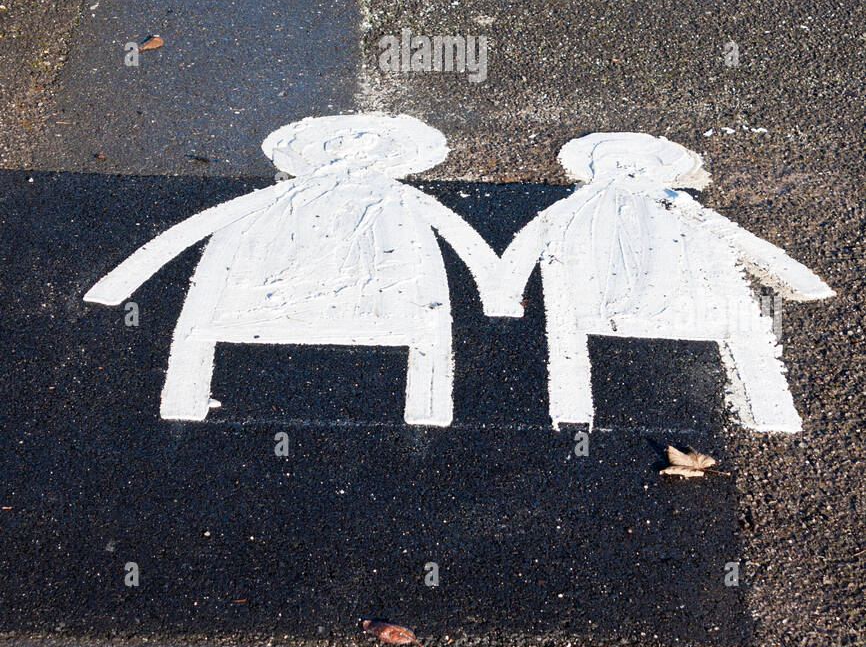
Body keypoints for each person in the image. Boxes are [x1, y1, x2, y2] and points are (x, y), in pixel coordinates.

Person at [85, 113, 509, 426]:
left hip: (380, 278)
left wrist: (500, 295)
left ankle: (427, 408)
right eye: (342, 147)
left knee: (418, 328)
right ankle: (184, 400)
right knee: (208, 325)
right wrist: (119, 283)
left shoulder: (398, 197)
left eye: (363, 149)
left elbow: (458, 233)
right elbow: (199, 226)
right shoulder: (286, 194)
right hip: (272, 275)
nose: (351, 156)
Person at [492, 132, 833, 433]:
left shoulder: (680, 204)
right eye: (616, 164)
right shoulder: (579, 204)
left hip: (699, 285)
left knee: (743, 335)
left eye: (636, 165)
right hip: (599, 291)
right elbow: (535, 235)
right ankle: (572, 412)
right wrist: (504, 296)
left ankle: (770, 406)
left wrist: (799, 279)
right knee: (570, 340)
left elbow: (734, 236)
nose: (627, 171)